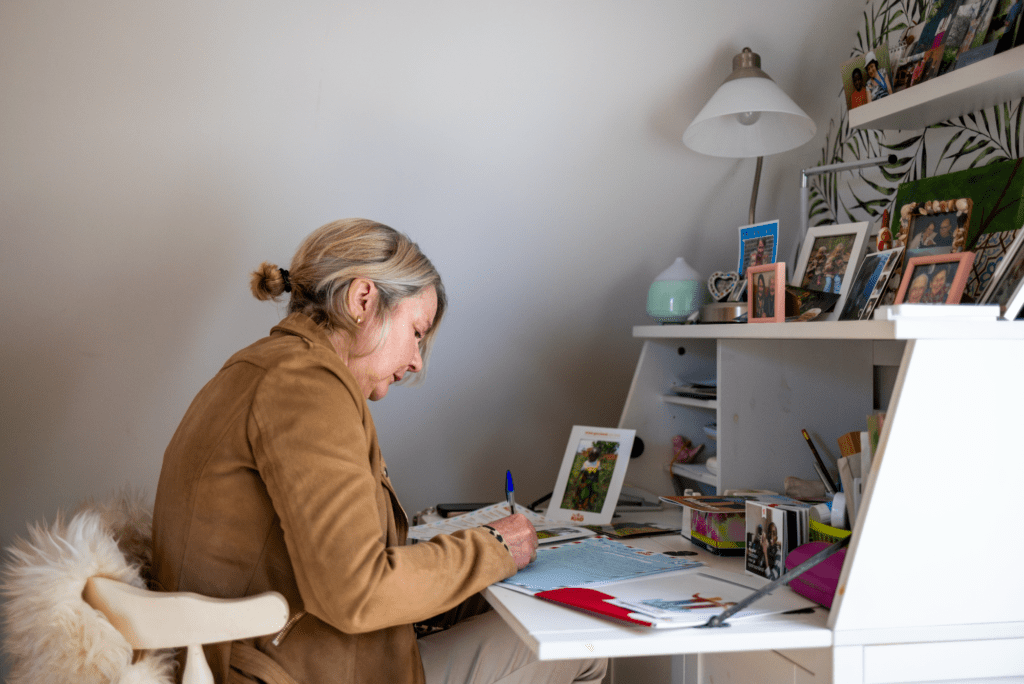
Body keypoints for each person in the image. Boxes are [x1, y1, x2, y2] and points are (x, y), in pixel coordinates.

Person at [151, 218, 606, 684]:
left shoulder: (261, 368)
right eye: (417, 331)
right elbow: (356, 592)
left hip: (266, 659)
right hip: (288, 672)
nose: (416, 362)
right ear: (363, 300)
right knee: (584, 645)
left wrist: (485, 568)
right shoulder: (305, 385)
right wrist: (494, 546)